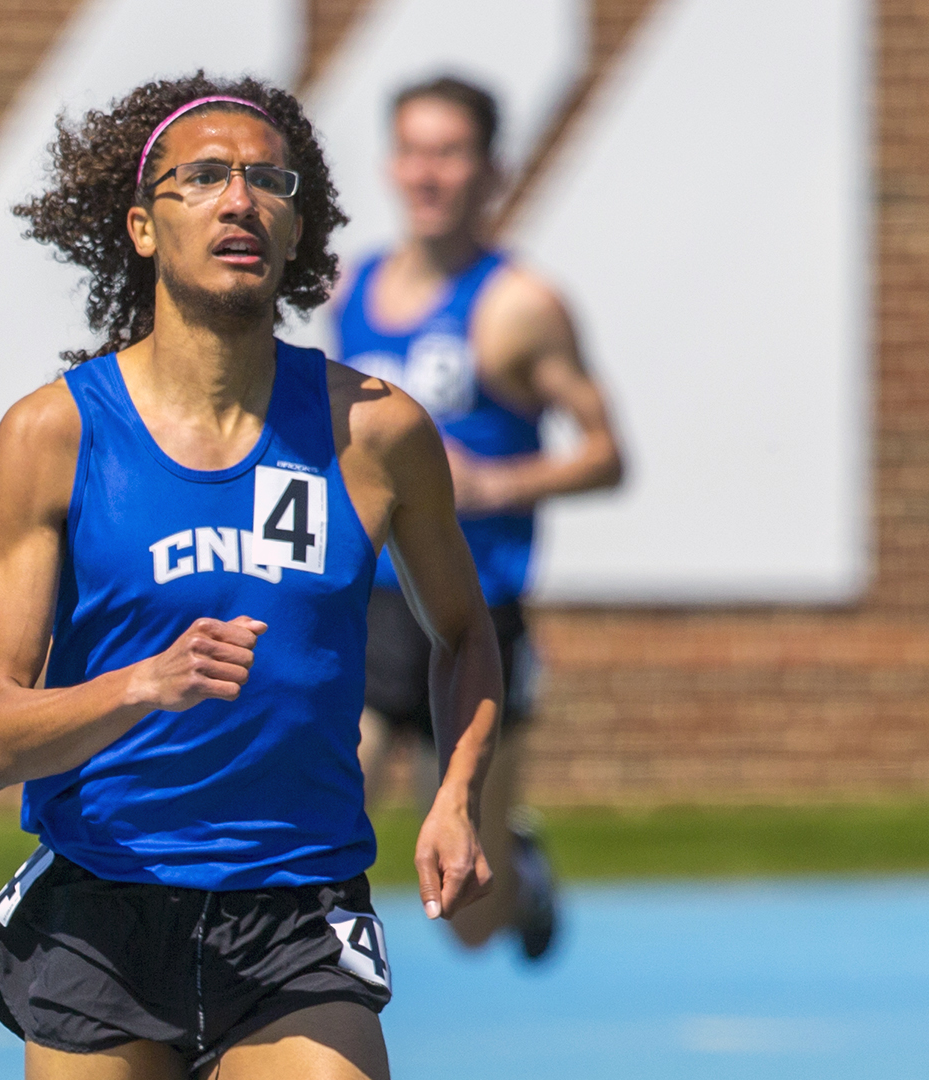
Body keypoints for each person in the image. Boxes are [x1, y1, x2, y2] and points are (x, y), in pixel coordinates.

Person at [0, 73, 505, 1080]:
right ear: (140, 226)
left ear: (298, 230)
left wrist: (456, 794)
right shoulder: (55, 436)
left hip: (296, 914)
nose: (239, 199)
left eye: (267, 179)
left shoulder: (376, 432)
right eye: (202, 177)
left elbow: (466, 634)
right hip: (101, 907)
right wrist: (140, 686)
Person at [335, 76, 624, 960]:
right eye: (414, 150)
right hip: (376, 601)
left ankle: (522, 871)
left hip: (473, 616)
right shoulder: (355, 288)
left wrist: (492, 484)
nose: (429, 173)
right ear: (392, 163)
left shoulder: (519, 306)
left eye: (450, 153)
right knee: (321, 799)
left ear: (490, 171)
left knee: (468, 918)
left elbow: (607, 453)